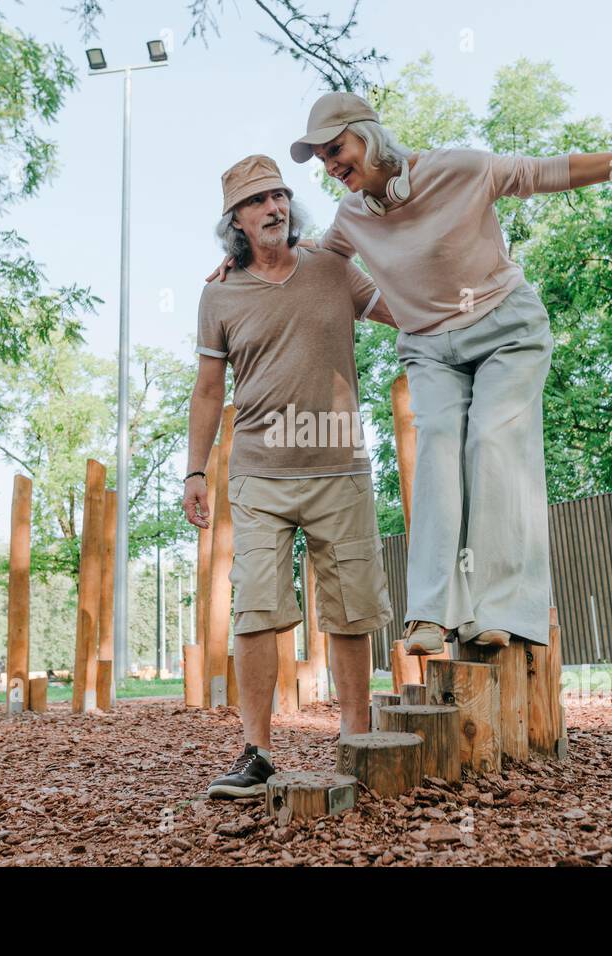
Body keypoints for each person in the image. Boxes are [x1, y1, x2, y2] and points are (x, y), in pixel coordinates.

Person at [211, 92, 612, 657]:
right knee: (436, 449)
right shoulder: (352, 217)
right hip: (431, 348)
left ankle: (502, 608)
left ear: (369, 135)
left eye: (336, 149)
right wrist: (239, 261)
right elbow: (304, 256)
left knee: (491, 441)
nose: (331, 166)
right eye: (323, 160)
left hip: (506, 329)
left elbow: (550, 171)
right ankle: (431, 614)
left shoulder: (455, 169)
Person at [184, 154, 398, 799]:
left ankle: (355, 739)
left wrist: (439, 263)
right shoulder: (218, 293)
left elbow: (397, 307)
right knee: (255, 612)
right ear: (236, 222)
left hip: (340, 468)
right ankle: (257, 752)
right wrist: (195, 470)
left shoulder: (333, 268)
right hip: (259, 473)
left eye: (280, 195)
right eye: (258, 201)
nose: (274, 207)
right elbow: (207, 391)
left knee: (353, 610)